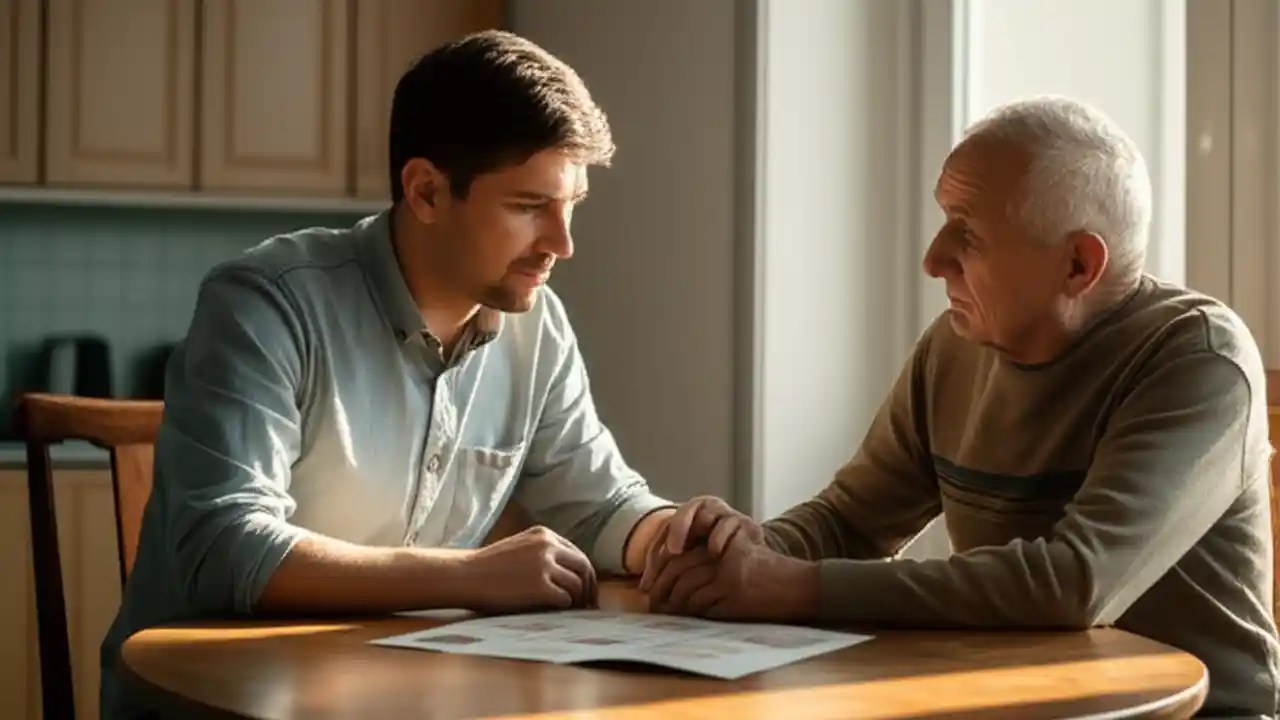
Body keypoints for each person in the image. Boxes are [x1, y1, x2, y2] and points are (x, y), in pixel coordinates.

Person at [101, 30, 678, 717]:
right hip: (212, 698)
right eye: (528, 207)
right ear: (427, 191)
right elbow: (224, 547)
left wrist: (673, 533)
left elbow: (601, 504)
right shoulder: (266, 304)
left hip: (400, 693)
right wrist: (471, 576)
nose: (563, 243)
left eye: (571, 204)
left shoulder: (536, 326)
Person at [642, 97, 1280, 717]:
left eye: (967, 233)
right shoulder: (954, 345)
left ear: (1078, 265)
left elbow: (1075, 582)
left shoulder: (1197, 360)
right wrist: (739, 552)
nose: (932, 259)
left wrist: (784, 585)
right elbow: (850, 523)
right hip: (1009, 702)